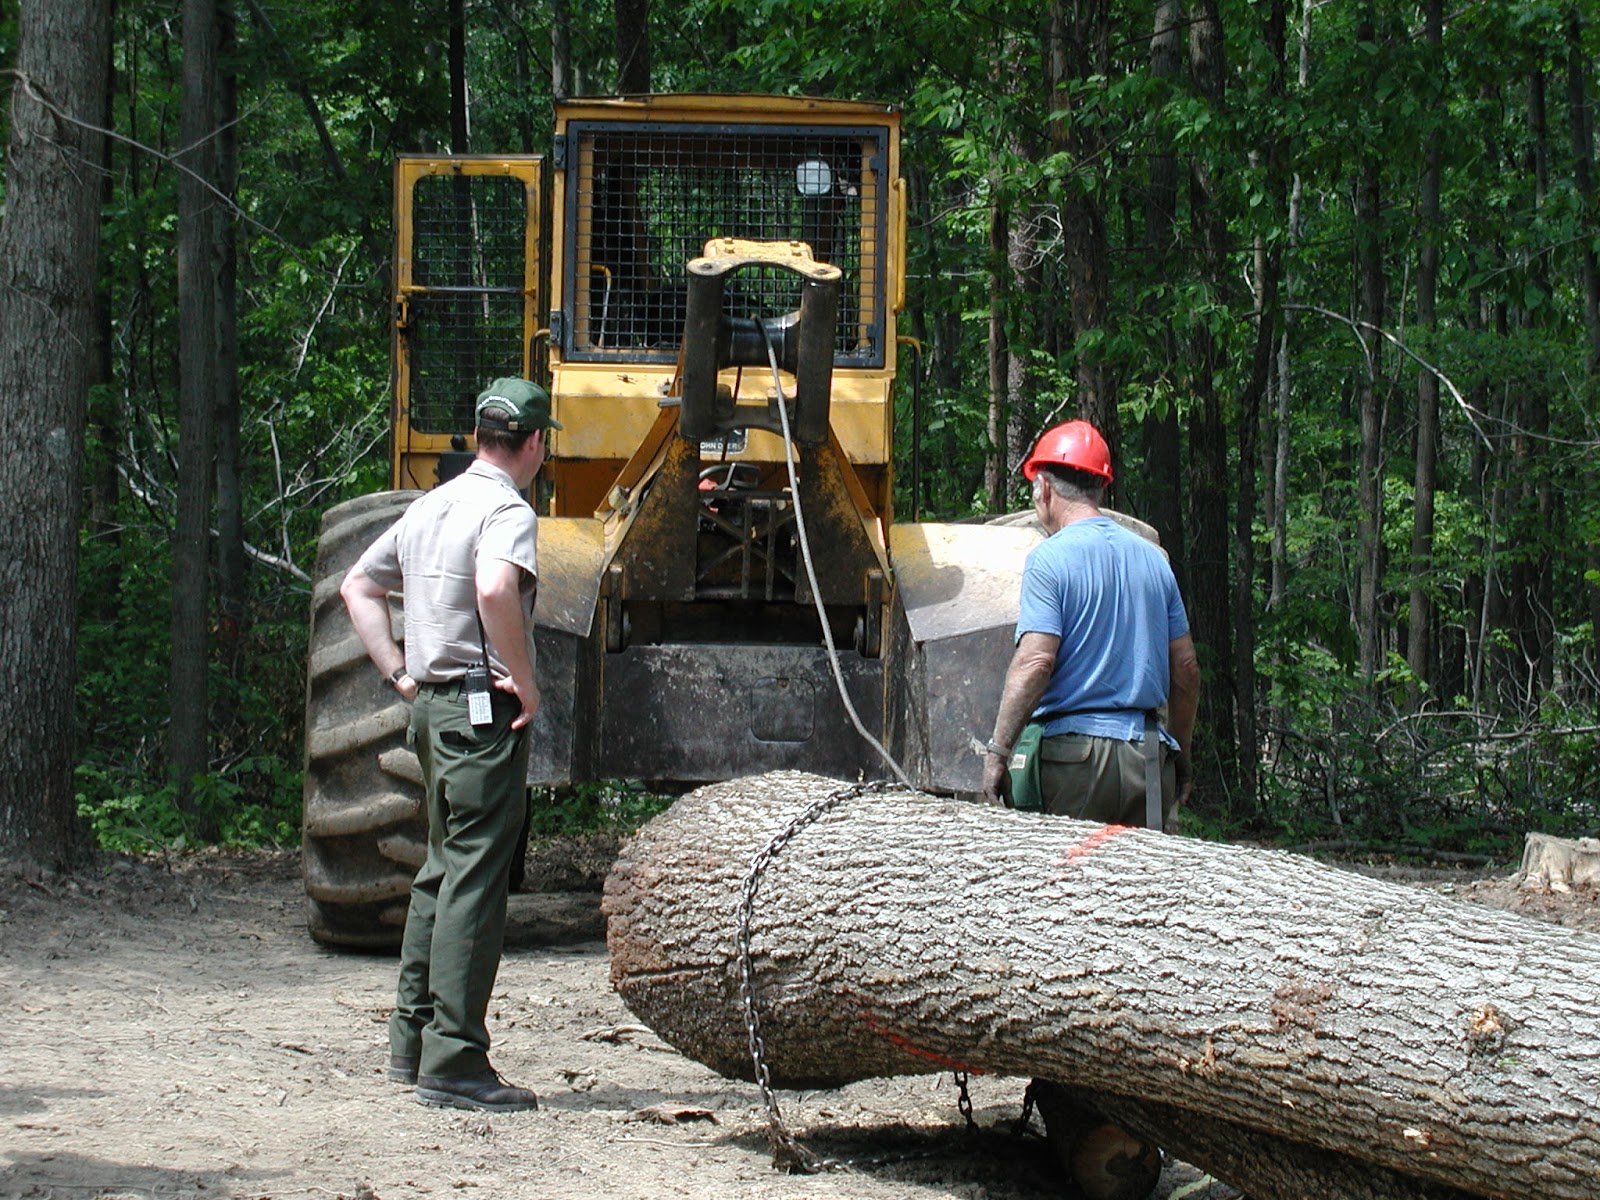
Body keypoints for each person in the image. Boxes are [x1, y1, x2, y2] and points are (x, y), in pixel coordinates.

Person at [340, 377, 558, 1113]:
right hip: (479, 712)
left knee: (440, 869)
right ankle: (457, 1059)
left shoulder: (428, 505)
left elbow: (356, 589)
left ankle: (412, 1041)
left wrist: (399, 673)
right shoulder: (506, 509)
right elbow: (497, 590)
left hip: (431, 711)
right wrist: (521, 681)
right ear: (534, 443)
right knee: (475, 877)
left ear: (477, 434)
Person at [980, 418, 1200, 827]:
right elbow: (1186, 670)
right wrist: (1181, 754)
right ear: (1101, 488)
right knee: (1142, 887)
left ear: (1043, 488)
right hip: (1148, 762)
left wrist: (999, 752)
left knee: (1066, 886)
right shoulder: (1155, 560)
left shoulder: (1049, 559)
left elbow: (1035, 663)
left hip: (1074, 764)